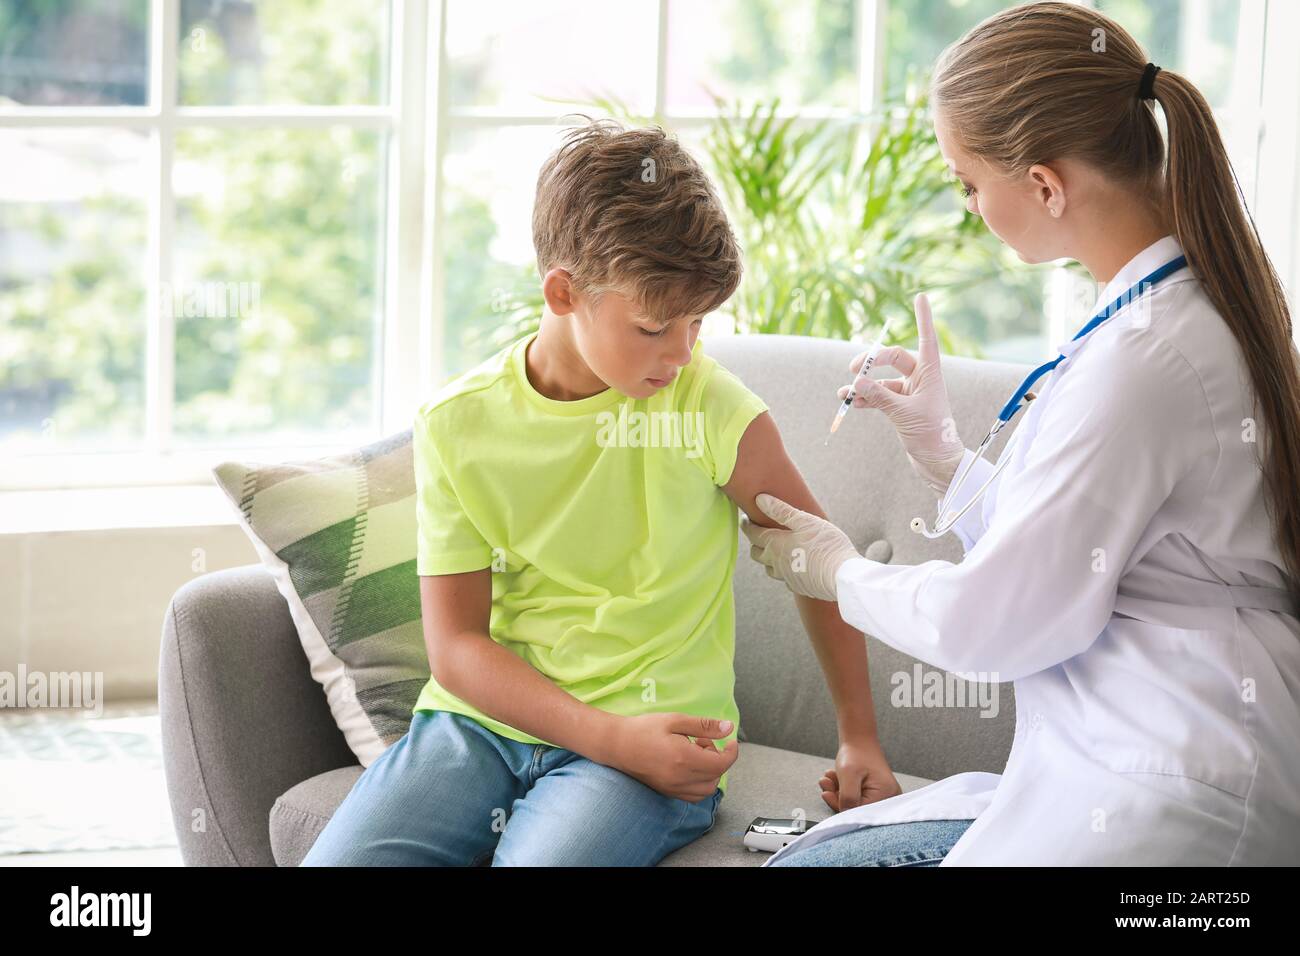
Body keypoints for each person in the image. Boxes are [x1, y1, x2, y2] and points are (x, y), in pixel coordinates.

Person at [746, 1, 1300, 866]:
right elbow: (1092, 545)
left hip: (1177, 795)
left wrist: (839, 572)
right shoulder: (1162, 317)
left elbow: (998, 623)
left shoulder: (1144, 357)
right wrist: (947, 462)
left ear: (1044, 184)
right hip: (1124, 758)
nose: (969, 207)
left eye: (970, 183)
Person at [303, 119, 900, 867]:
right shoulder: (458, 424)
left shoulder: (710, 407)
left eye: (697, 323)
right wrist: (600, 733)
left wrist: (859, 736)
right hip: (480, 728)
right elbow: (456, 647)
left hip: (657, 739)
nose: (682, 353)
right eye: (654, 326)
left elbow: (820, 564)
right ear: (563, 292)